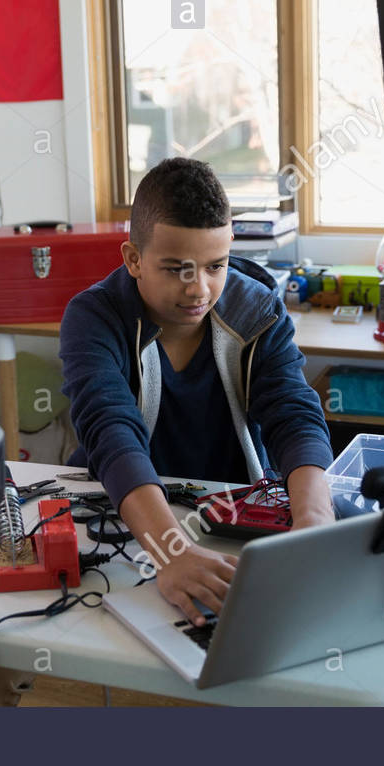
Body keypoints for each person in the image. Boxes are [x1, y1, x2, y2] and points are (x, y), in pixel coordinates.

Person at [60, 157, 335, 627]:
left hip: (235, 511)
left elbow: (293, 412)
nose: (198, 289)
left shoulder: (260, 310)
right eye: (175, 269)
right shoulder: (92, 319)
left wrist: (314, 521)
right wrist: (172, 552)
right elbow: (111, 433)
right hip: (126, 519)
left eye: (215, 266)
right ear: (133, 259)